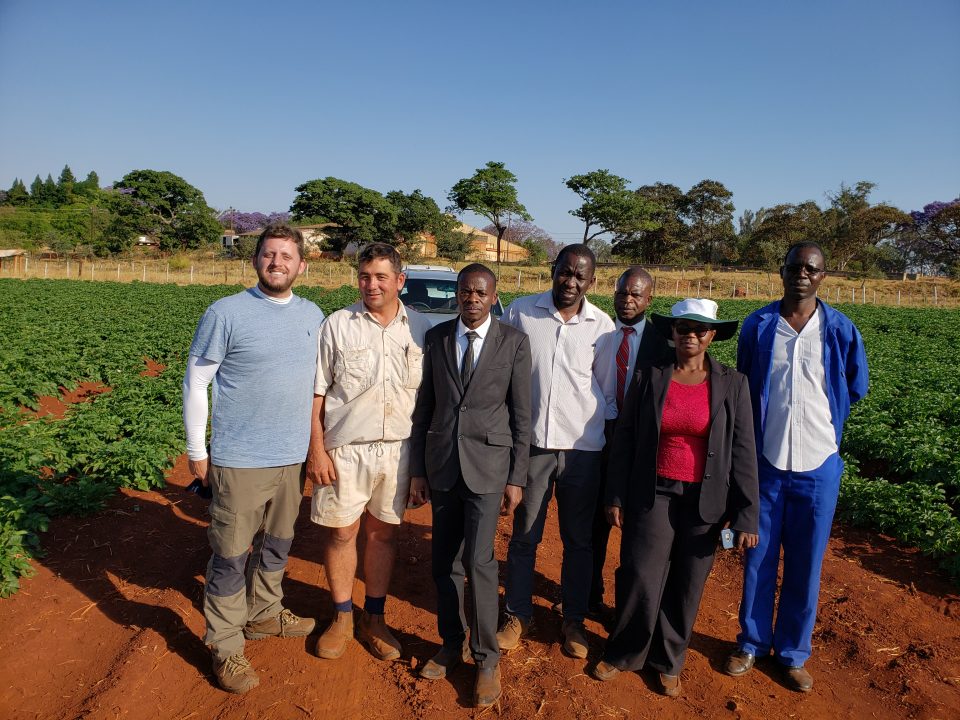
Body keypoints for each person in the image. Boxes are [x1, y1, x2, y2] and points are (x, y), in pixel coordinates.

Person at [183, 224, 325, 693]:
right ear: (255, 261)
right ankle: (224, 646)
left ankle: (263, 613)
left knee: (277, 544)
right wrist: (197, 450)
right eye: (269, 254)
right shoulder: (226, 313)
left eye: (287, 256)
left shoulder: (313, 314)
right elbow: (197, 381)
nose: (277, 263)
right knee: (228, 556)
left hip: (292, 458)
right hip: (240, 457)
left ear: (302, 266)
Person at [593, 298, 759, 698]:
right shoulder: (650, 376)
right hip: (654, 493)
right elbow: (627, 438)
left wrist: (746, 514)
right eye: (683, 328)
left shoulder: (732, 383)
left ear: (712, 335)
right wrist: (615, 494)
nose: (690, 335)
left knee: (688, 582)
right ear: (672, 332)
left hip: (706, 499)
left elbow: (743, 450)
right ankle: (625, 650)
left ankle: (668, 660)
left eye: (699, 329)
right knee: (639, 573)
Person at [725, 241, 868, 693]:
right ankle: (751, 642)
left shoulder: (840, 329)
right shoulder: (760, 324)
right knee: (758, 556)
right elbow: (745, 384)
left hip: (818, 464)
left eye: (812, 268)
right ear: (781, 271)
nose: (802, 274)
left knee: (807, 563)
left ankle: (792, 654)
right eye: (795, 267)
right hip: (766, 462)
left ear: (824, 276)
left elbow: (854, 385)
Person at [408, 263, 532, 707]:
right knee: (445, 562)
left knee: (479, 563)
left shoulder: (514, 342)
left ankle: (486, 658)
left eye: (481, 292)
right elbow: (426, 406)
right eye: (465, 291)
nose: (472, 299)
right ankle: (450, 642)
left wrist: (516, 477)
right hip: (442, 465)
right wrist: (419, 469)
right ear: (456, 294)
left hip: (488, 469)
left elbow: (522, 416)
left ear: (493, 295)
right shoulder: (438, 338)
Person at [307, 242, 431, 663]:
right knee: (341, 532)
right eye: (364, 276)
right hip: (346, 451)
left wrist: (421, 467)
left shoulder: (422, 330)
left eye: (381, 277)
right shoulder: (337, 325)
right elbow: (317, 394)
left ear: (400, 281)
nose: (371, 284)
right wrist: (317, 450)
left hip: (399, 451)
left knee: (383, 534)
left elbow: (430, 403)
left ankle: (374, 617)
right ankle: (342, 614)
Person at [496, 244, 615, 659]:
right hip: (532, 447)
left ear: (592, 281)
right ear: (553, 270)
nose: (570, 282)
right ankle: (517, 614)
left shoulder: (603, 326)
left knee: (578, 541)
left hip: (582, 449)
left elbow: (605, 390)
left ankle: (574, 621)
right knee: (525, 534)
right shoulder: (521, 312)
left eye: (580, 276)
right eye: (565, 272)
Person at [590, 267, 672, 617]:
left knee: (636, 533)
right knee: (595, 526)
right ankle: (590, 595)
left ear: (649, 299)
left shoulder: (663, 345)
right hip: (603, 440)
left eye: (636, 295)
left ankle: (627, 609)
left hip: (643, 448)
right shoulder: (601, 335)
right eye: (622, 293)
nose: (627, 300)